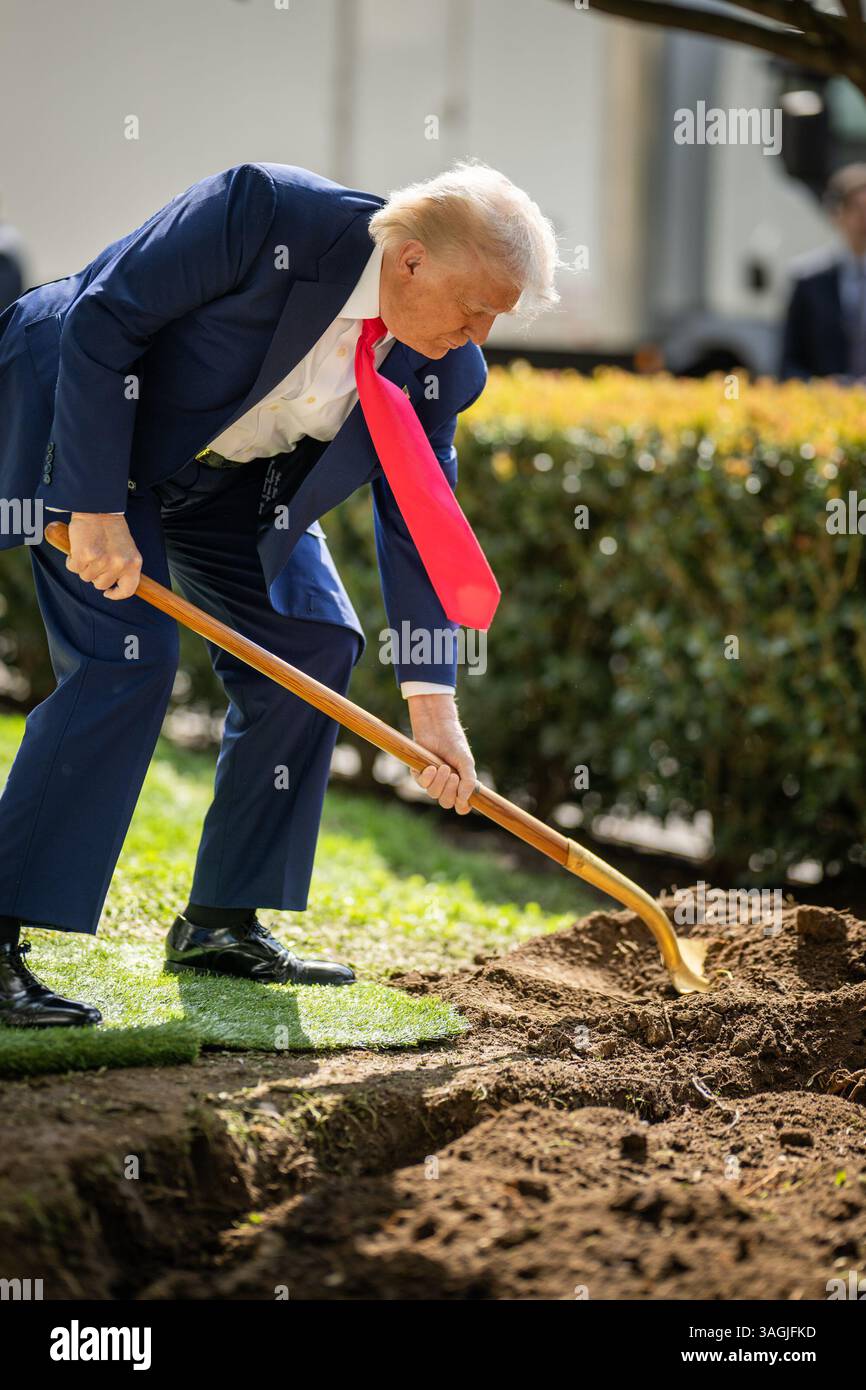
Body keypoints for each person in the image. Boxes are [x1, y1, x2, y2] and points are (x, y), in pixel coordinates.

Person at [0, 160, 558, 1026]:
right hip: (98, 434)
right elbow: (104, 317)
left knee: (315, 641)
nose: (482, 331)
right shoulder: (263, 213)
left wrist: (435, 708)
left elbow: (421, 518)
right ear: (410, 261)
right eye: (475, 305)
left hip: (233, 482)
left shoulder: (447, 366)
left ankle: (224, 920)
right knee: (128, 660)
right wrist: (98, 506)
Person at [780, 162, 866, 381]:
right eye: (857, 209)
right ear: (838, 215)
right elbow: (789, 363)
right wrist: (823, 387)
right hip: (827, 406)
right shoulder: (809, 279)